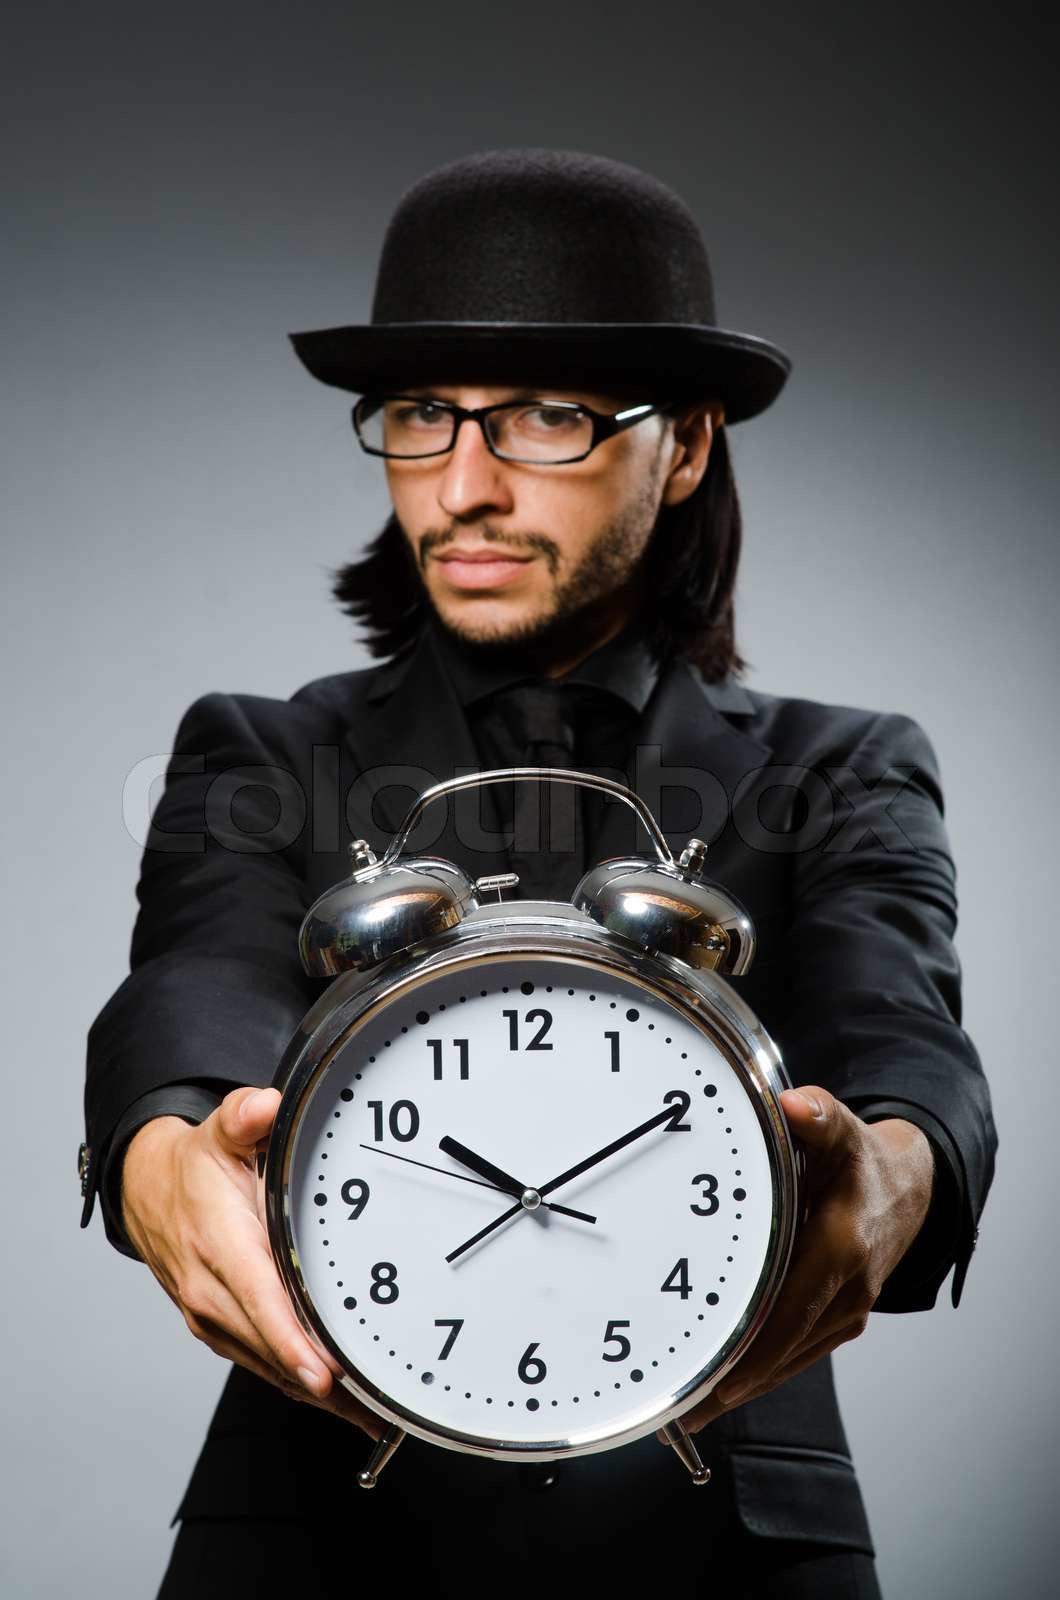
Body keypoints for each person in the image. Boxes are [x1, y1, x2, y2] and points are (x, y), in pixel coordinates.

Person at [79, 148, 996, 1598]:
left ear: (685, 445)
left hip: (733, 1534)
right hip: (311, 1533)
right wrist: (156, 1149)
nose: (462, 484)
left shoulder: (844, 764)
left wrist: (900, 1168)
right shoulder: (266, 748)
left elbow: (902, 1025)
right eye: (422, 416)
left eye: (545, 420)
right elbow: (197, 974)